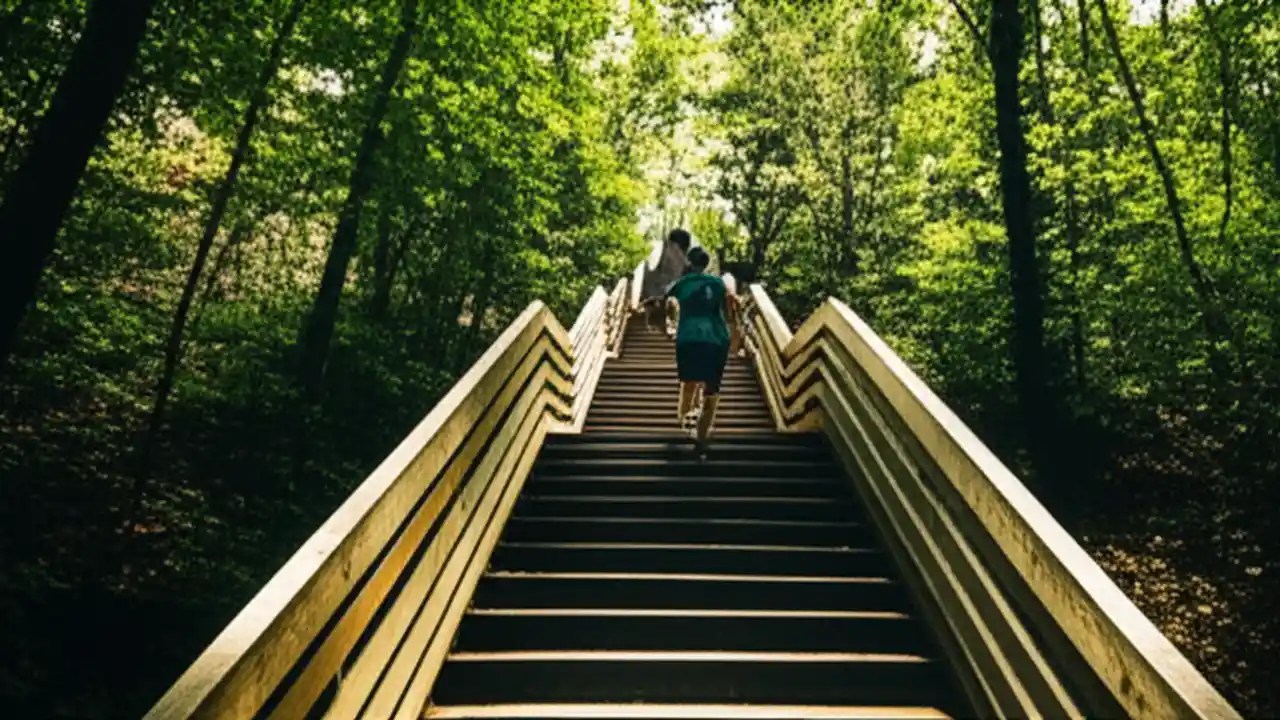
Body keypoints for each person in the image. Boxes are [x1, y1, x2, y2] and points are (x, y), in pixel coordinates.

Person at [664, 246, 731, 458]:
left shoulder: (681, 284)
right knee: (711, 391)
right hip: (716, 340)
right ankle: (702, 436)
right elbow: (727, 310)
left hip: (689, 339)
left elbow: (666, 302)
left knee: (689, 383)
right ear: (706, 264)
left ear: (689, 262)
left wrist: (669, 324)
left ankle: (683, 424)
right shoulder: (718, 283)